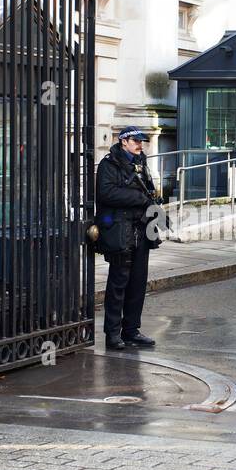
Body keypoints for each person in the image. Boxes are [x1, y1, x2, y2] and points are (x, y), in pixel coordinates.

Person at [95, 127, 160, 350]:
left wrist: (152, 202)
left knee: (138, 284)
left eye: (142, 141)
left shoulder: (141, 164)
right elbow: (106, 193)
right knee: (118, 283)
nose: (140, 144)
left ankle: (131, 330)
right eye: (135, 141)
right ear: (123, 141)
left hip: (140, 229)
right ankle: (112, 334)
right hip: (120, 230)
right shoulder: (109, 164)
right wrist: (140, 199)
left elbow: (149, 193)